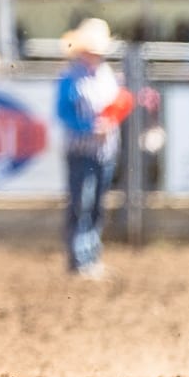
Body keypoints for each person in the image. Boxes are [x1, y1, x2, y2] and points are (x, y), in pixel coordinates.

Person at [55, 17, 132, 279]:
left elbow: (119, 104)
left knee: (97, 205)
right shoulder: (70, 77)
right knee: (81, 204)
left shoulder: (107, 74)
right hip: (80, 150)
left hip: (104, 151)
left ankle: (91, 256)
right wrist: (89, 127)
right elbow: (63, 113)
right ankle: (79, 259)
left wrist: (108, 121)